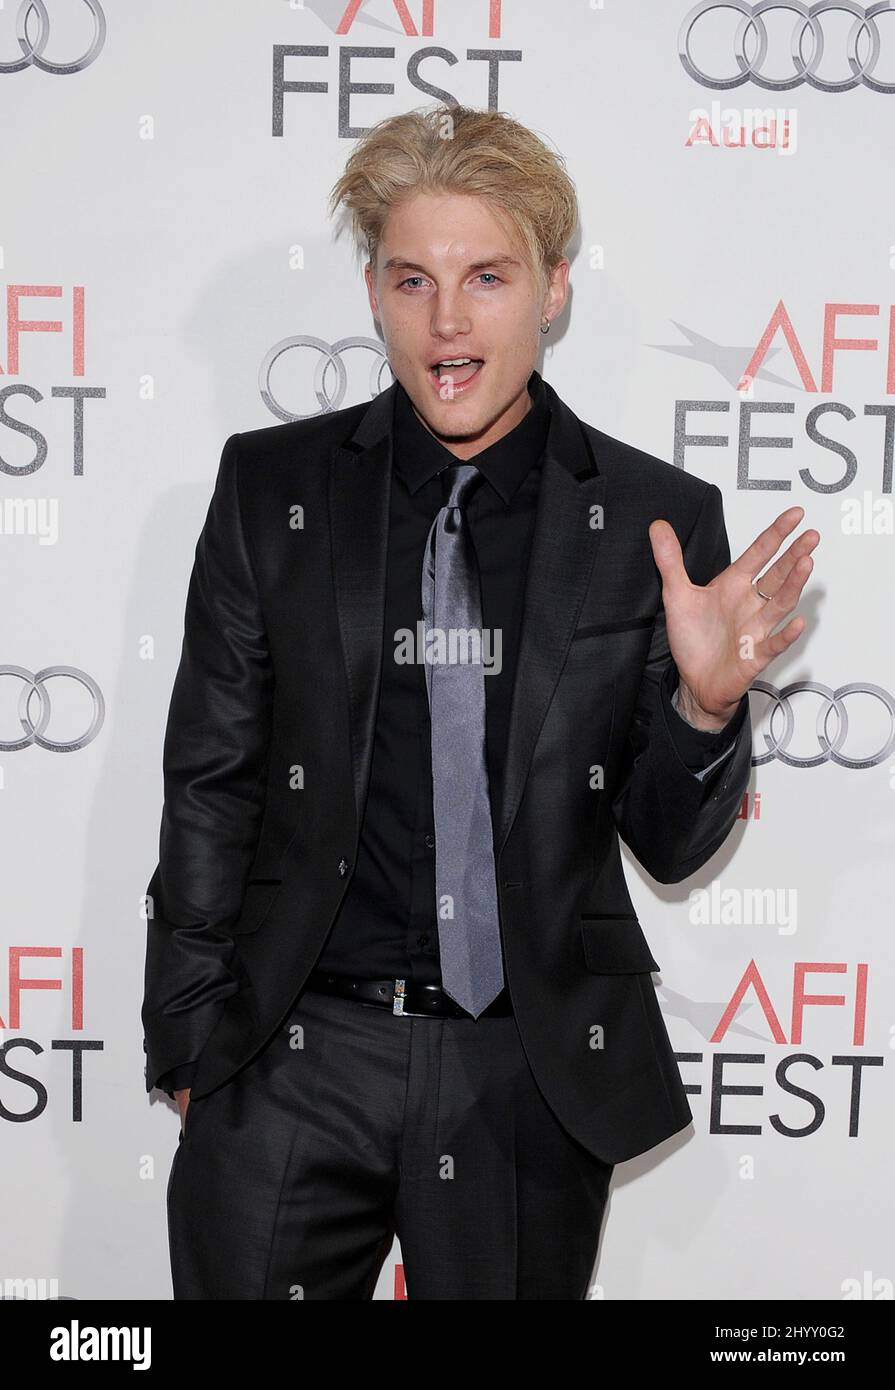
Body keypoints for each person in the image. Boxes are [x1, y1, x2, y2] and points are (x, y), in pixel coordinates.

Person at [142, 103, 819, 1300]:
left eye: (487, 277)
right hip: (294, 1056)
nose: (447, 321)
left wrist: (708, 711)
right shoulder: (273, 489)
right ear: (372, 293)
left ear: (553, 288)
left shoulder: (653, 522)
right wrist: (193, 1039)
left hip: (524, 1068)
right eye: (413, 279)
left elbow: (666, 842)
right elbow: (211, 778)